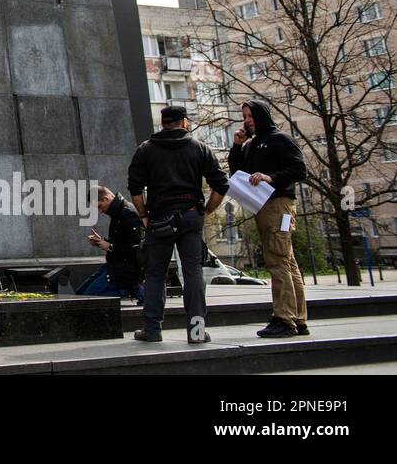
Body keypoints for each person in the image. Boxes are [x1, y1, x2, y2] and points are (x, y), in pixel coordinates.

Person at [127, 105, 229, 343]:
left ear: (163, 123)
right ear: (184, 122)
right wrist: (207, 209)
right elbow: (221, 184)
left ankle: (152, 330)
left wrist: (143, 215)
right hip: (190, 216)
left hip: (159, 218)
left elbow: (134, 188)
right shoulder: (199, 148)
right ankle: (196, 332)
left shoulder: (146, 150)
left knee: (155, 274)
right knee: (193, 273)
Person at [229, 99, 309, 338]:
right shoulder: (252, 145)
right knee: (287, 261)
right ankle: (298, 318)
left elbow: (299, 170)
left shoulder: (280, 139)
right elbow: (237, 173)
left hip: (278, 205)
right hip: (263, 206)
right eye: (244, 117)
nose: (247, 121)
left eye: (250, 116)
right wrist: (237, 147)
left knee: (277, 261)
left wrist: (270, 178)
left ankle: (284, 319)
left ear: (262, 116)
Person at [76, 184, 143, 302]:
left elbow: (135, 248)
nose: (100, 211)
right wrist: (102, 242)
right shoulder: (118, 212)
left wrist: (109, 246)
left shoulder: (127, 213)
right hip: (115, 267)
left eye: (100, 206)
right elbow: (122, 241)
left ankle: (134, 287)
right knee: (78, 295)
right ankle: (134, 287)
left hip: (124, 272)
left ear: (106, 198)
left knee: (85, 300)